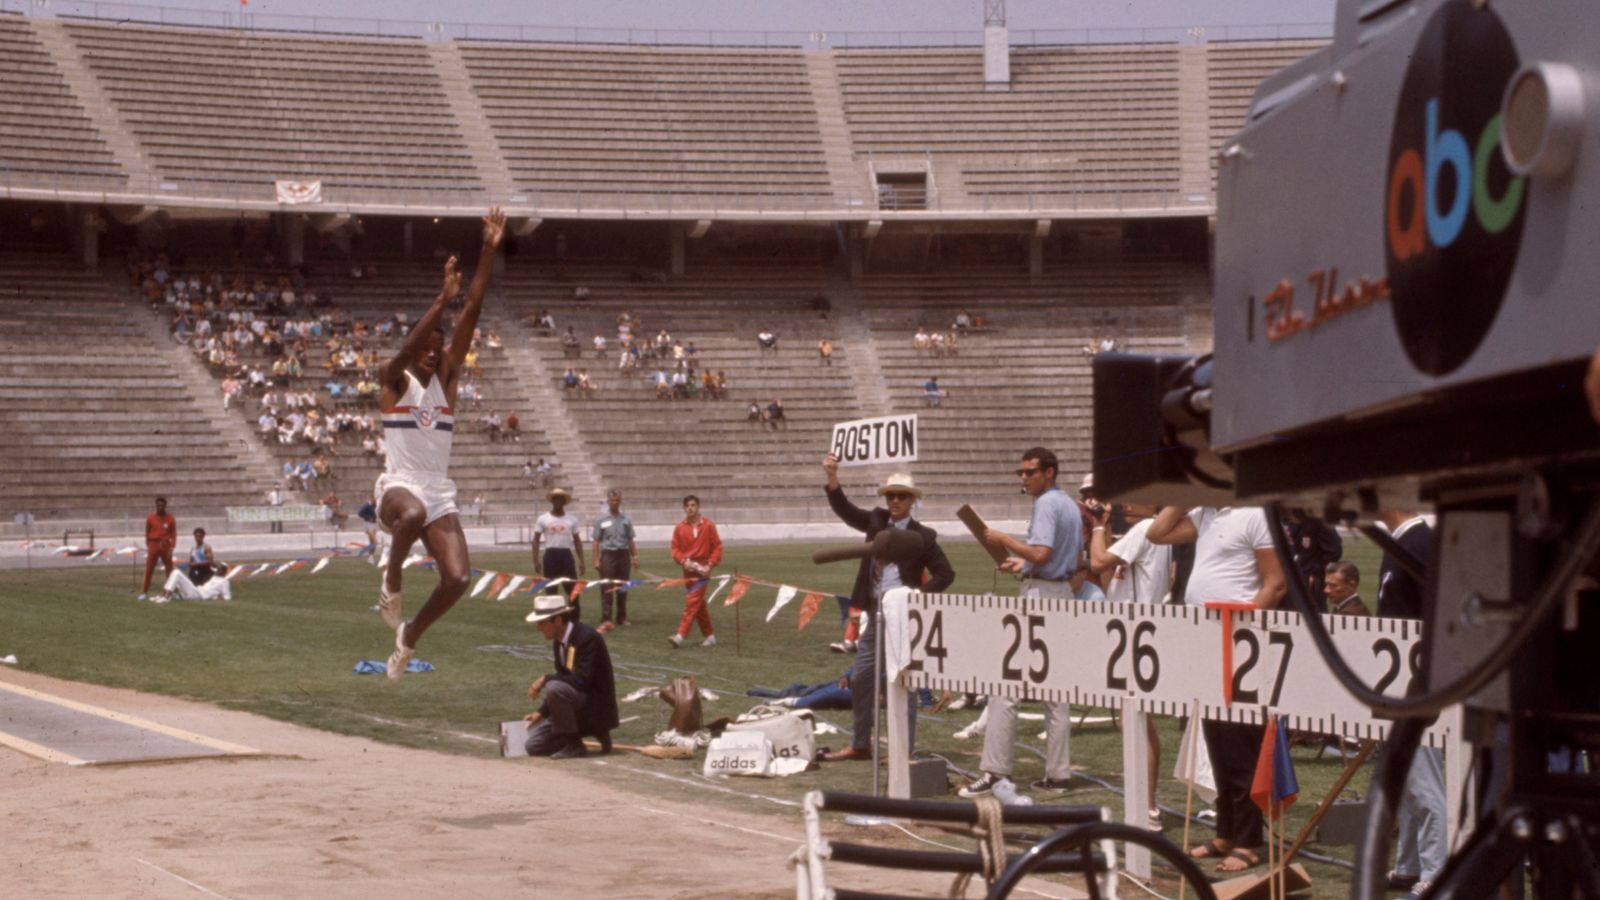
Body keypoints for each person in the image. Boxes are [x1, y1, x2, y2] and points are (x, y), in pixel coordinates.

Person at [375, 206, 507, 680]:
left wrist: (488, 250)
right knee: (410, 514)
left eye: (439, 348)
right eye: (425, 347)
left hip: (436, 488)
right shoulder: (394, 381)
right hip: (398, 487)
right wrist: (440, 299)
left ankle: (408, 636)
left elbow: (472, 309)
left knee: (458, 579)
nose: (432, 353)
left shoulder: (447, 382)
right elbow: (406, 351)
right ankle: (391, 582)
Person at [1147, 504, 1285, 873]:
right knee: (1216, 743)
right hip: (1206, 638)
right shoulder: (1206, 513)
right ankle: (1226, 832)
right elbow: (1156, 534)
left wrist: (1244, 634)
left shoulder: (1255, 514)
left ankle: (1248, 841)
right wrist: (1181, 499)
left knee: (1241, 745)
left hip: (1239, 641)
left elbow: (1275, 582)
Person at [961, 448, 1081, 796]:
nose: (1024, 478)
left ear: (1049, 472)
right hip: (1061, 594)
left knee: (1006, 685)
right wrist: (1024, 565)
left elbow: (1042, 552)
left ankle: (995, 772)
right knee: (1056, 691)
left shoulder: (1046, 504)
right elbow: (1067, 558)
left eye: (1030, 472)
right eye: (1021, 473)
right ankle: (1058, 775)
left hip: (1040, 597)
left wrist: (1006, 541)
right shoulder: (1070, 505)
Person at [820, 459, 954, 762]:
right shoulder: (876, 521)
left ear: (912, 500)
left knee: (905, 680)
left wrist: (916, 597)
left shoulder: (924, 536)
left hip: (904, 616)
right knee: (861, 677)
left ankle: (903, 749)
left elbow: (946, 574)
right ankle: (860, 744)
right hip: (876, 612)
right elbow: (845, 509)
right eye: (890, 495)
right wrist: (832, 476)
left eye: (901, 496)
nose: (894, 501)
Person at [1087, 499, 1171, 822]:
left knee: (1135, 721)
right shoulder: (1145, 532)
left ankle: (1147, 805)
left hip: (1138, 632)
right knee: (1133, 720)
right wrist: (1105, 528)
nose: (1124, 506)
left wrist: (1097, 526)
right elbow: (1108, 579)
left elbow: (1096, 563)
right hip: (1130, 631)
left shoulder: (1146, 528)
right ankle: (1145, 802)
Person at [1376, 510, 1442, 900]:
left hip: (1416, 683)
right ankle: (1409, 865)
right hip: (1396, 683)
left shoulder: (1419, 542)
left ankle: (1435, 870)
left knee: (1423, 781)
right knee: (1404, 781)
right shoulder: (1397, 541)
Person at [522, 595, 618, 759]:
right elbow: (564, 677)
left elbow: (581, 680)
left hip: (595, 708)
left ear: (558, 621)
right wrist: (541, 712)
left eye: (542, 623)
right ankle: (577, 735)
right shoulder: (558, 641)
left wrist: (545, 679)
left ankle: (575, 744)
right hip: (575, 706)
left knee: (554, 687)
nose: (538, 628)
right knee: (533, 746)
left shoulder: (588, 638)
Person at [668, 495, 723, 648]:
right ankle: (710, 636)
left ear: (698, 507)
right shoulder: (680, 528)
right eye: (687, 505)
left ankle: (680, 636)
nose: (690, 508)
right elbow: (675, 549)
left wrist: (710, 565)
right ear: (684, 508)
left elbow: (717, 547)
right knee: (698, 604)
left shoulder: (708, 526)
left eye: (693, 505)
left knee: (692, 602)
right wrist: (683, 561)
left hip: (703, 570)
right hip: (688, 570)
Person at [533, 488, 585, 619]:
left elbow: (577, 540)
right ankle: (554, 619)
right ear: (552, 501)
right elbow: (536, 540)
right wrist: (535, 560)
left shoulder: (572, 519)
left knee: (572, 590)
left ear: (564, 502)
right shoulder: (543, 518)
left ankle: (574, 620)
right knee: (551, 591)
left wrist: (581, 561)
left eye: (561, 499)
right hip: (550, 556)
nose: (558, 501)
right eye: (555, 499)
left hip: (566, 555)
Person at [591, 490, 638, 633]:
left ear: (620, 502)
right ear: (608, 502)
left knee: (622, 587)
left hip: (623, 555)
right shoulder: (601, 520)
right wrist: (596, 560)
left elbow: (630, 540)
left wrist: (635, 557)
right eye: (612, 500)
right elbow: (596, 541)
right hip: (608, 555)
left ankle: (621, 617)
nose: (615, 503)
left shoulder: (626, 520)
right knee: (607, 587)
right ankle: (606, 618)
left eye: (617, 500)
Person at [139, 496, 177, 600]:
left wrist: (172, 547)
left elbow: (173, 534)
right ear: (156, 505)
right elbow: (147, 531)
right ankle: (144, 592)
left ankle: (171, 592)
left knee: (169, 570)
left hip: (165, 545)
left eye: (162, 505)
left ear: (165, 506)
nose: (160, 507)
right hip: (153, 544)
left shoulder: (170, 518)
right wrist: (149, 544)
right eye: (158, 505)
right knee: (149, 569)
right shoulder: (150, 517)